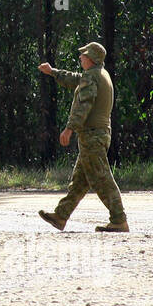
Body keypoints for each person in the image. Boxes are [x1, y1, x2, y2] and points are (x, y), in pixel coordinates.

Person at [36, 42, 129, 232]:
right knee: (79, 181)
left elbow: (84, 104)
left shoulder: (92, 76)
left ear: (91, 59)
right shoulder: (99, 74)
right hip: (98, 135)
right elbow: (75, 79)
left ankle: (119, 219)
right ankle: (61, 216)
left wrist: (69, 129)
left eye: (84, 55)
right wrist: (53, 72)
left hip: (92, 136)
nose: (80, 58)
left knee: (102, 179)